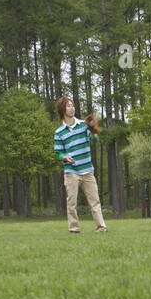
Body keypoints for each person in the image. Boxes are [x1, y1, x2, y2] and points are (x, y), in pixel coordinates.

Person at [53, 96, 107, 234]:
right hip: (71, 171)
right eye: (69, 106)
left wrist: (94, 132)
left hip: (87, 170)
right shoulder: (59, 132)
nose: (72, 108)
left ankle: (101, 227)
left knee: (95, 201)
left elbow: (94, 140)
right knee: (71, 203)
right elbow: (59, 153)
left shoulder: (83, 125)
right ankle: (74, 228)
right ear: (62, 109)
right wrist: (65, 157)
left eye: (73, 105)